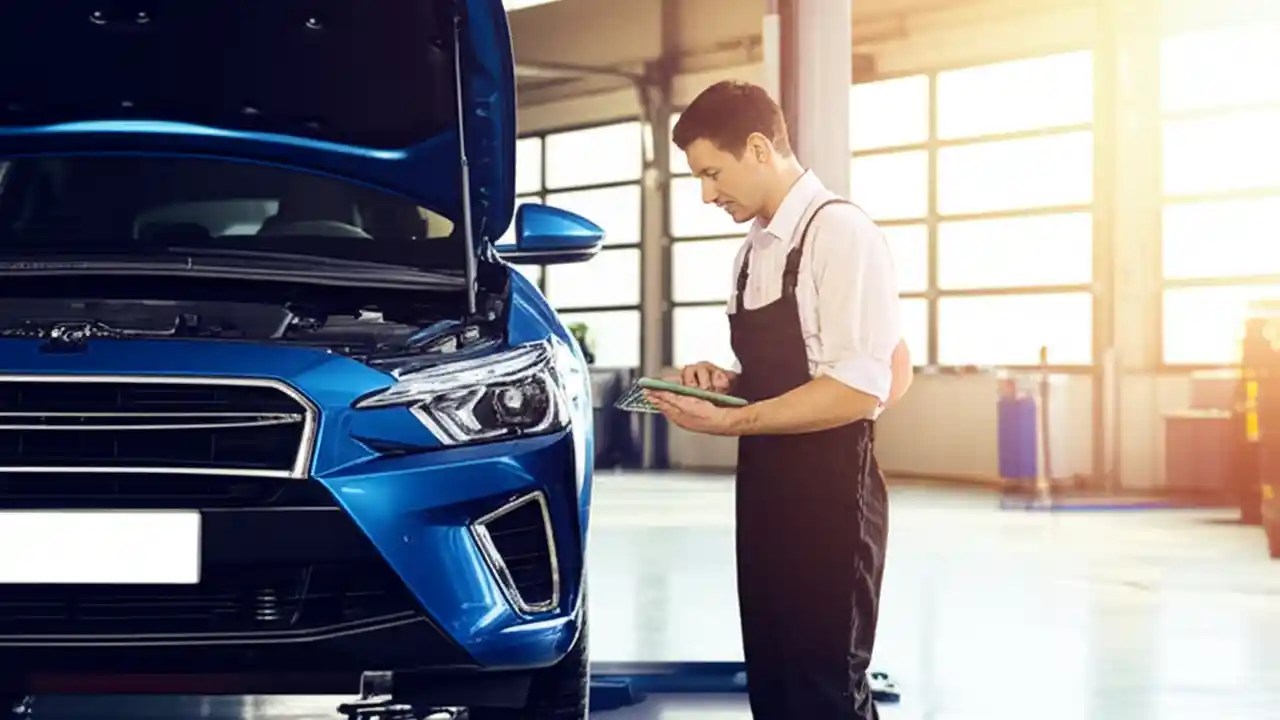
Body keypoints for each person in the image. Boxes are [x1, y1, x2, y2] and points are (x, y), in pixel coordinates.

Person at [645, 80, 913, 720]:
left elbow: (859, 387)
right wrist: (726, 384)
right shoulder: (751, 254)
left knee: (824, 686)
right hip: (764, 491)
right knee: (773, 678)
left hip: (832, 499)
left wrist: (736, 421)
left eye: (713, 173)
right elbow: (784, 374)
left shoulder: (839, 233)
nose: (707, 194)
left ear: (759, 147)